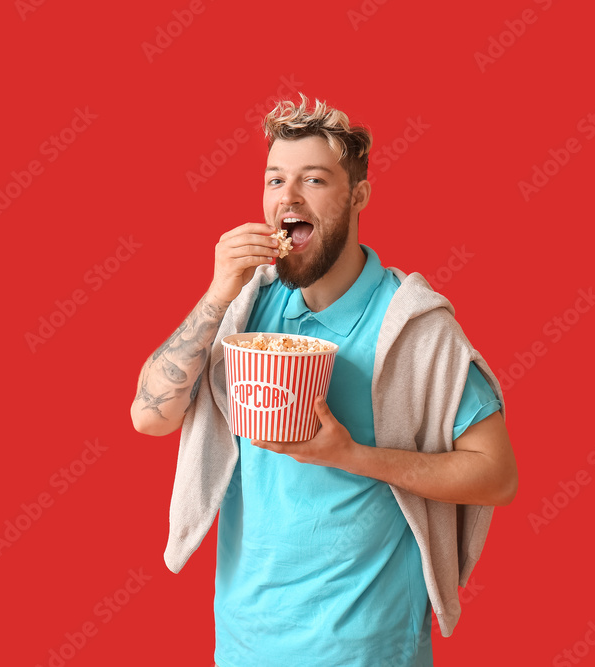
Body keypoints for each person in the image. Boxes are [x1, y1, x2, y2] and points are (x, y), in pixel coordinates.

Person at [132, 93, 518, 667]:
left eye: (313, 180)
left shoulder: (412, 328)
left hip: (368, 647)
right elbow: (149, 416)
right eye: (273, 180)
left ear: (358, 195)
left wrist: (353, 455)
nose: (286, 198)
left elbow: (497, 477)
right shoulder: (243, 307)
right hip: (245, 643)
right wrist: (216, 292)